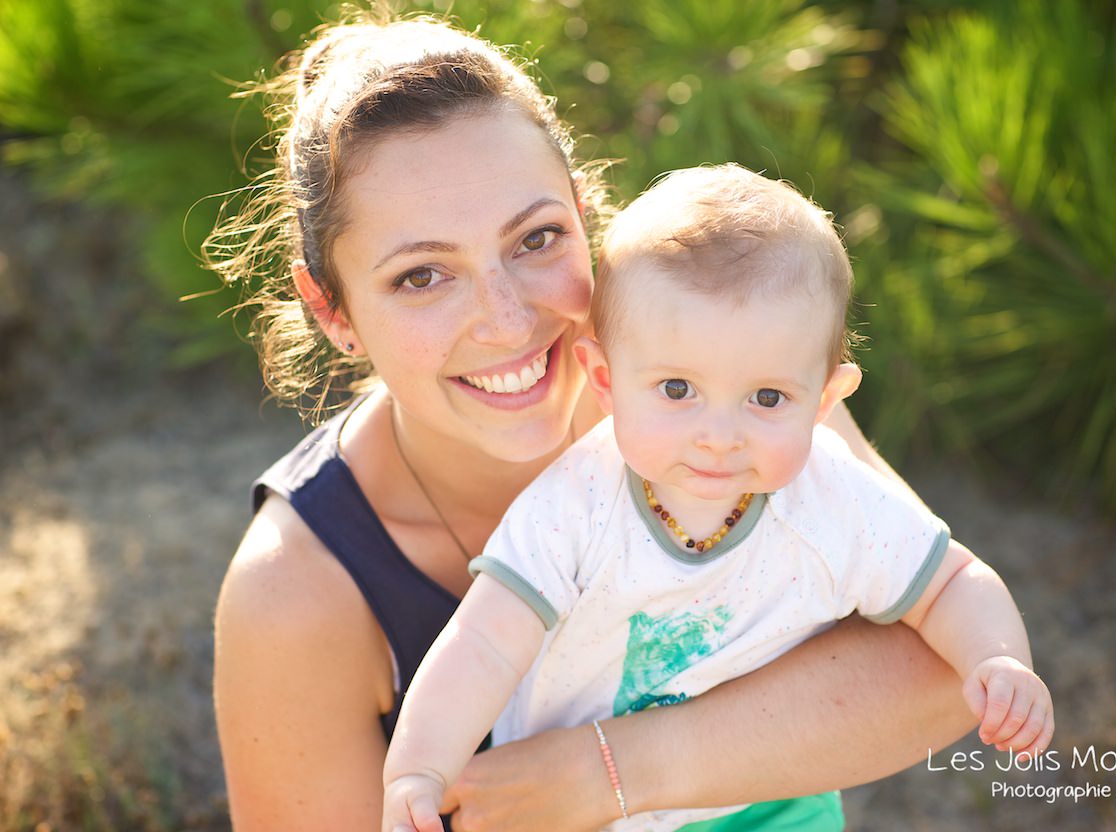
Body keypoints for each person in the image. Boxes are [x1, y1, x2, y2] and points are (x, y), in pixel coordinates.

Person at [209, 9, 976, 832]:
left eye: (536, 238)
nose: (506, 321)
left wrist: (613, 771)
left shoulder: (734, 388)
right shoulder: (297, 593)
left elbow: (945, 667)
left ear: (584, 215)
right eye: (423, 275)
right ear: (332, 310)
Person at [380, 165, 1054, 832]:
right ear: (605, 379)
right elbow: (483, 645)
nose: (718, 437)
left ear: (823, 401)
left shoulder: (837, 501)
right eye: (678, 390)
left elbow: (951, 580)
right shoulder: (576, 507)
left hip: (768, 795)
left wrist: (996, 657)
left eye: (767, 398)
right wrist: (418, 768)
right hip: (575, 815)